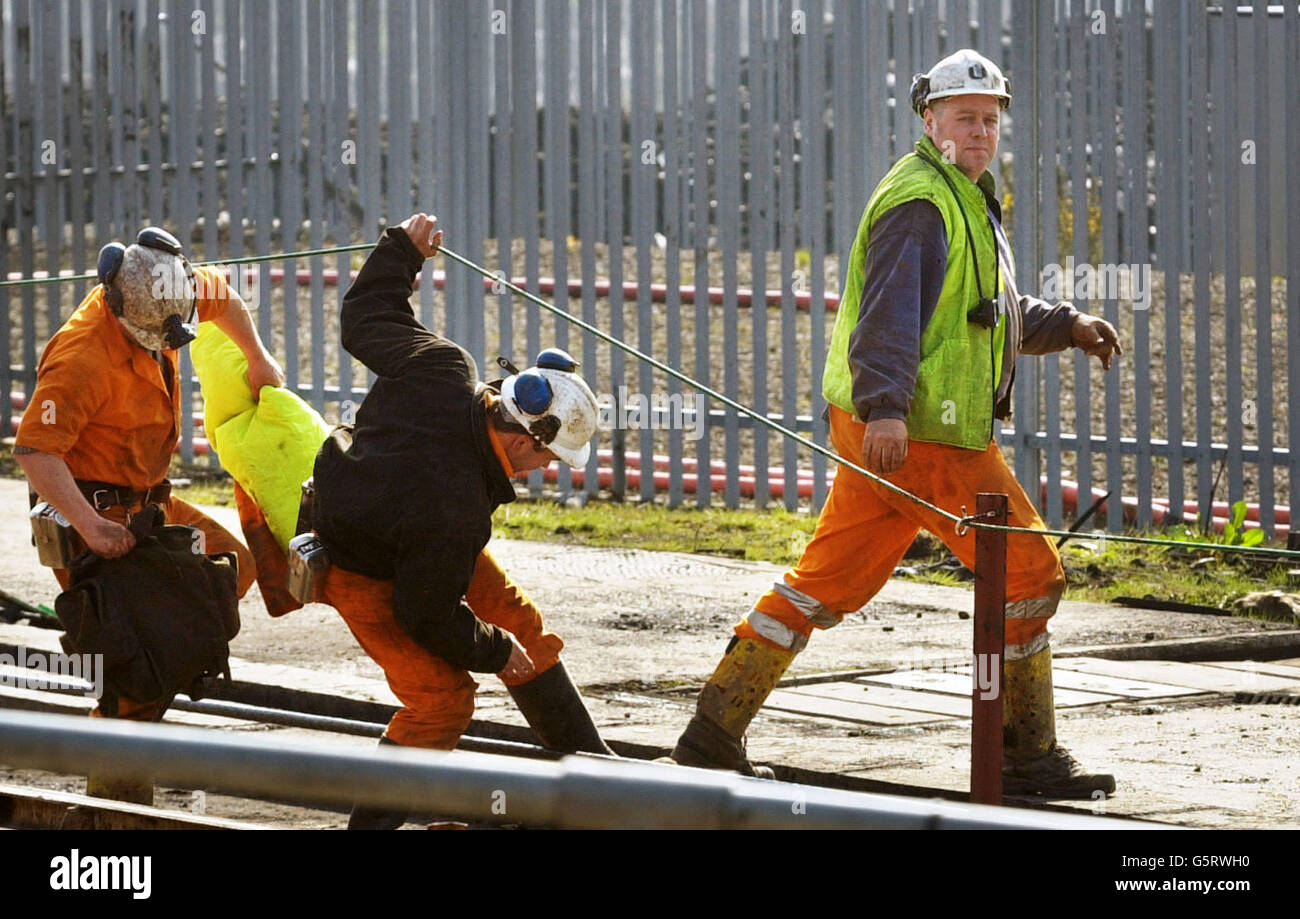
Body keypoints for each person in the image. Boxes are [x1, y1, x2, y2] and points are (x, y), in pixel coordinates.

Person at [669, 49, 1122, 798]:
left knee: (822, 582)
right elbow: (889, 316)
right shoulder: (922, 202)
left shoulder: (960, 197)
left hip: (888, 433)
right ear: (930, 120)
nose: (981, 131)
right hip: (921, 433)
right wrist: (887, 409)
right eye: (965, 117)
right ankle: (1025, 757)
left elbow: (983, 314)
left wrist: (1067, 324)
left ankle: (711, 733)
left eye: (990, 119)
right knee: (1031, 572)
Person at [310, 212, 613, 829]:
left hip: (390, 525)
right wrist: (498, 653)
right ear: (531, 441)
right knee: (442, 702)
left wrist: (402, 251)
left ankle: (591, 765)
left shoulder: (444, 366)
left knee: (514, 615)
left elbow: (363, 319)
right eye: (551, 460)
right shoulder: (456, 508)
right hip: (359, 566)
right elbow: (423, 614)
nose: (545, 470)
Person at [14, 226, 284, 803]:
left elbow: (229, 299)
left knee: (230, 563)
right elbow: (36, 451)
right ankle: (115, 805)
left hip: (150, 500)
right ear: (118, 303)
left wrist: (258, 359)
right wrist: (91, 526)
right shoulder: (82, 356)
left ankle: (138, 706)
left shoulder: (170, 287)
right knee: (130, 664)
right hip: (90, 511)